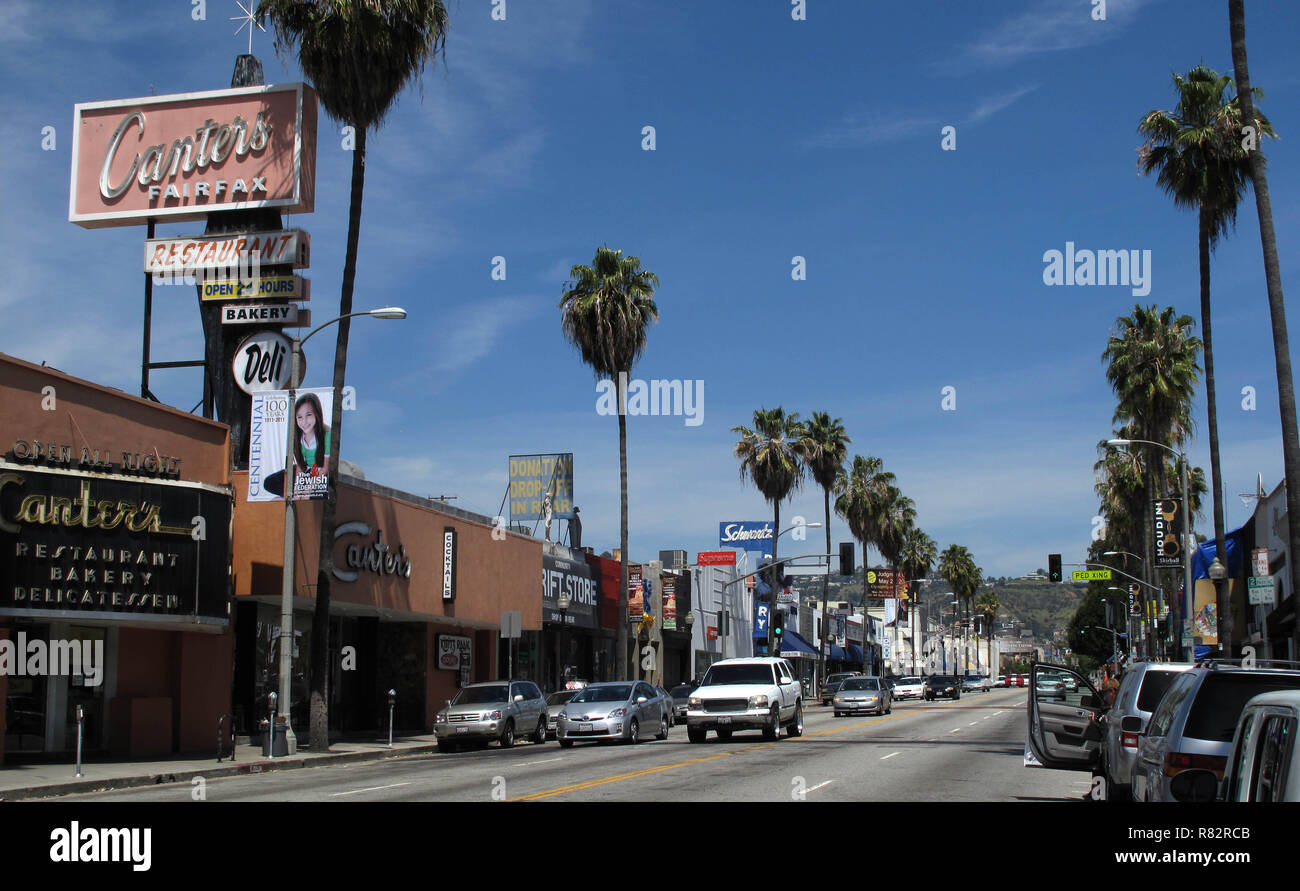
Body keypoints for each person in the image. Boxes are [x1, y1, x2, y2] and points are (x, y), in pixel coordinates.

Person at [264, 392, 330, 498]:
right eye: (299, 417)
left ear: (316, 414)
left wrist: (309, 489)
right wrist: (297, 488)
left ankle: (310, 494)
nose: (304, 422)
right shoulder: (298, 436)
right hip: (306, 472)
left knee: (323, 489)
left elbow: (325, 468)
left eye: (308, 415)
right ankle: (292, 496)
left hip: (322, 473)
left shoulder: (326, 434)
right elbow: (300, 466)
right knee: (269, 482)